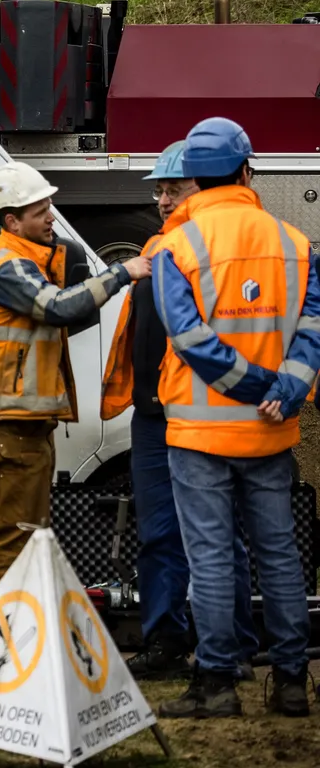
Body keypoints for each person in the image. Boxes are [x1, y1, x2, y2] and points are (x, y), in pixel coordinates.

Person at [148, 118, 320, 720]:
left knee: (212, 556)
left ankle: (218, 683)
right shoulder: (295, 243)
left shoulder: (177, 247)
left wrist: (250, 386)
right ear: (248, 169)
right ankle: (293, 681)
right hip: (271, 428)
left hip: (199, 431)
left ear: (193, 175)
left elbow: (190, 338)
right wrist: (284, 391)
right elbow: (312, 329)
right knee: (278, 552)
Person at [100, 142, 258, 679]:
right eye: (160, 190)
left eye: (175, 189)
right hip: (153, 416)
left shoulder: (215, 248)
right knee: (159, 531)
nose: (164, 199)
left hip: (204, 414)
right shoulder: (153, 248)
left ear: (205, 188)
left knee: (219, 534)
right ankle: (166, 639)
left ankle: (233, 644)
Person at [0, 160, 148, 603]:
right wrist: (121, 272)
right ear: (12, 220)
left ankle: (10, 645)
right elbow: (59, 308)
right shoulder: (7, 264)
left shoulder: (23, 258)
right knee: (17, 540)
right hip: (11, 424)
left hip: (24, 422)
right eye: (40, 210)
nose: (51, 216)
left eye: (50, 206)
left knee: (28, 537)